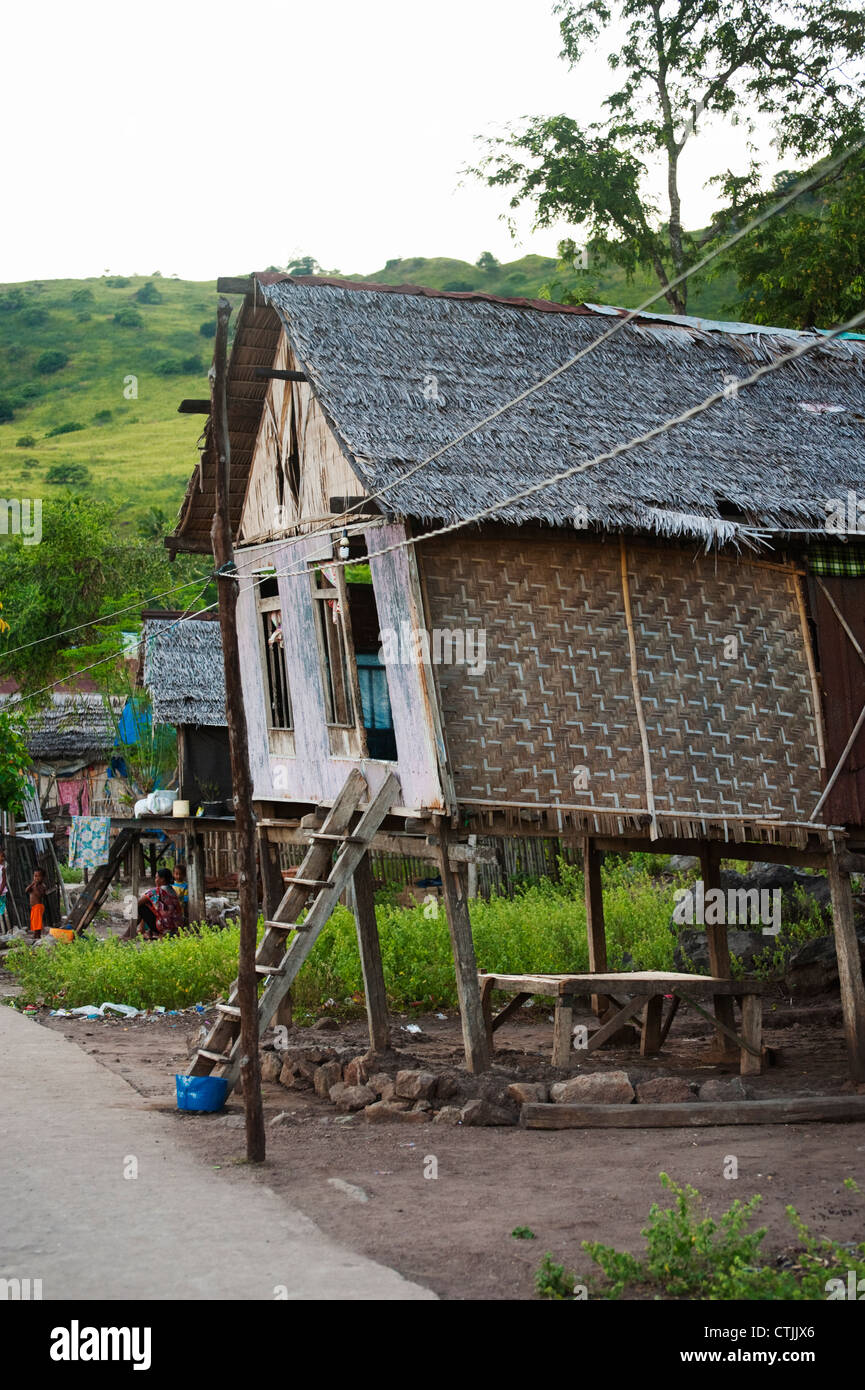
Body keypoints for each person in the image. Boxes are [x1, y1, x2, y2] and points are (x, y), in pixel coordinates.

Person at [136, 868, 183, 940]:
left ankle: (131, 933)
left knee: (141, 907)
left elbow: (138, 903)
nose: (155, 880)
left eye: (156, 877)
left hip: (164, 928)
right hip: (175, 929)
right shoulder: (172, 891)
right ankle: (142, 931)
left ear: (162, 879)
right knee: (150, 906)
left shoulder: (157, 891)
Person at [25, 867, 46, 937]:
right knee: (34, 921)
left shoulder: (42, 886)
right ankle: (36, 934)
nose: (36, 878)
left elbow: (39, 895)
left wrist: (36, 886)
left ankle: (37, 935)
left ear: (43, 877)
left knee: (37, 922)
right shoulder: (32, 886)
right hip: (33, 907)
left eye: (39, 876)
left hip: (38, 906)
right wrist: (32, 884)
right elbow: (26, 890)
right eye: (35, 876)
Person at [0, 848, 8, 929]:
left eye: (3, 856)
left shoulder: (2, 868)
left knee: (2, 911)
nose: (3, 858)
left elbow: (4, 881)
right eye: (1, 856)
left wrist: (0, 891)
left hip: (1, 893)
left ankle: (4, 929)